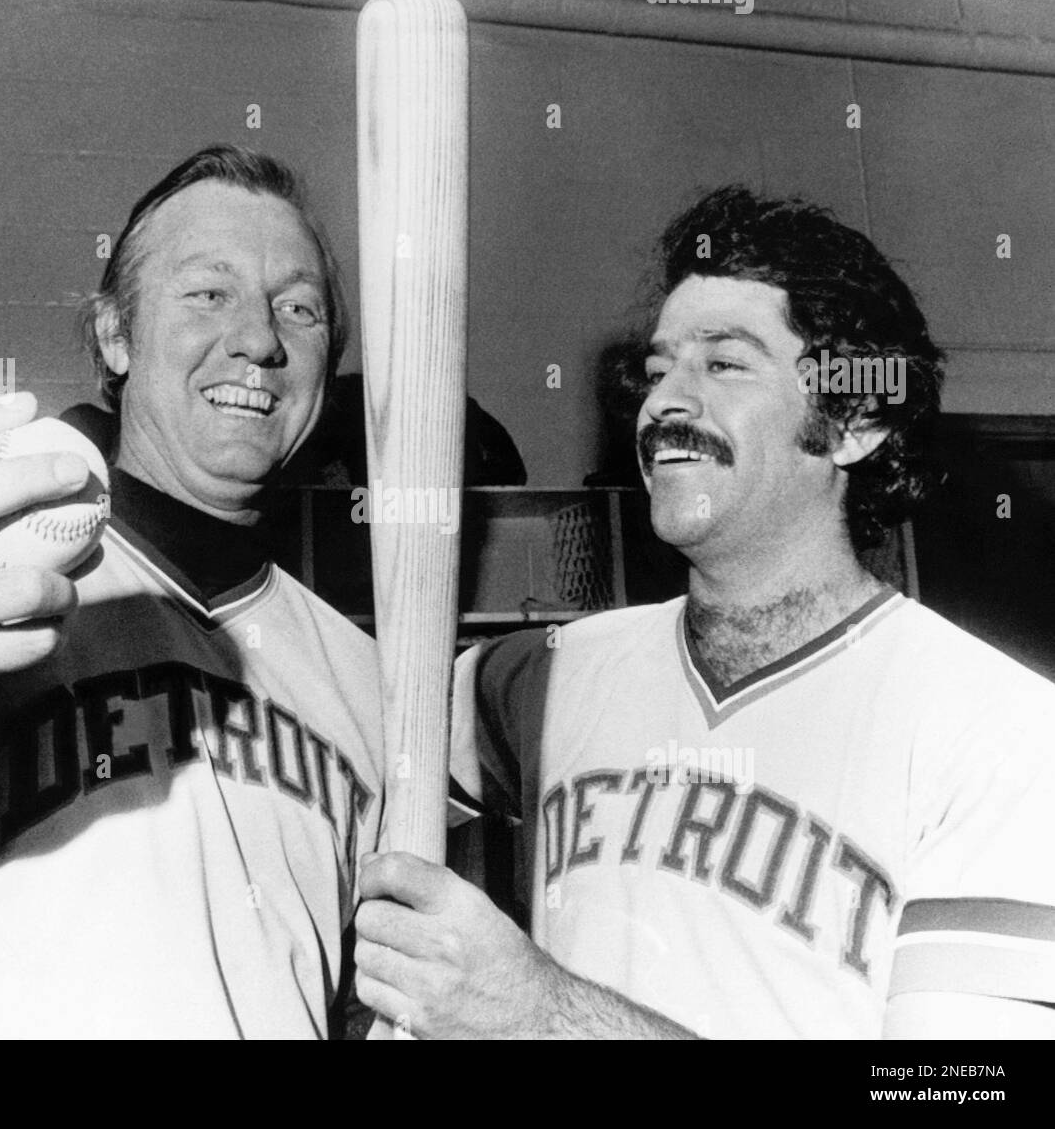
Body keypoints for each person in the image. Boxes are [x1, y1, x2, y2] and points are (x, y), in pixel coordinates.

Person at [353, 186, 1055, 1040]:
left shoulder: (998, 730)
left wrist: (542, 1017)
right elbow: (333, 741)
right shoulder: (546, 673)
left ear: (856, 419)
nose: (663, 405)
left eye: (723, 364)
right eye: (657, 373)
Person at [0, 146, 383, 1039]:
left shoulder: (364, 678)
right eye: (209, 292)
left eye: (300, 308)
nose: (260, 338)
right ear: (115, 335)